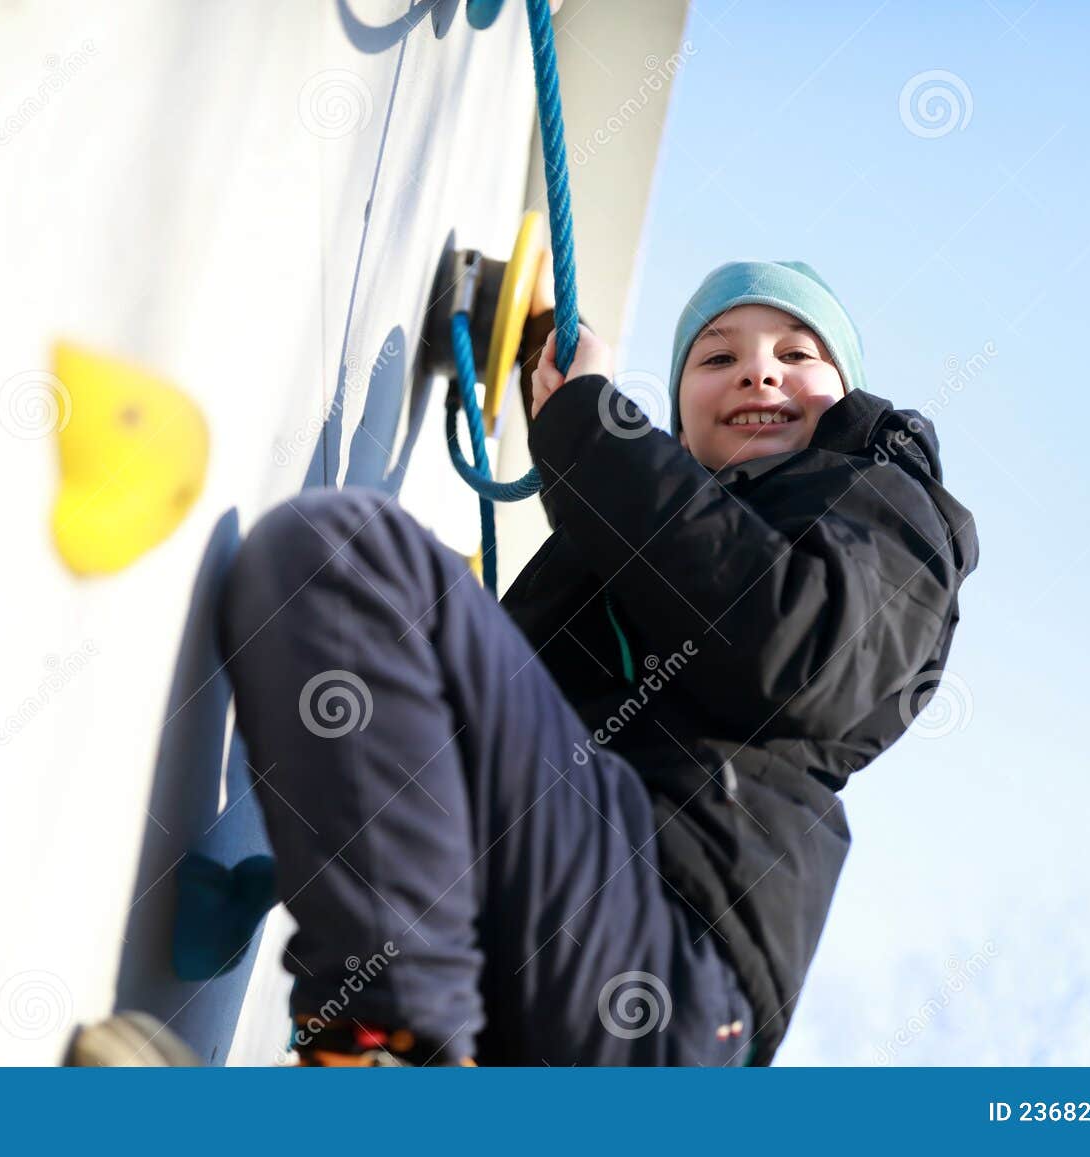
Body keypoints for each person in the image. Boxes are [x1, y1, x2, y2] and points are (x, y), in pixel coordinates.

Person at [215, 259, 979, 1066]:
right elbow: (495, 721)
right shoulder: (620, 548)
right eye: (718, 358)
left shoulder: (885, 506)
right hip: (519, 944)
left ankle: (391, 1041)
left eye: (798, 354)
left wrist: (595, 434)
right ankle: (385, 1048)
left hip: (670, 959)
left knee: (356, 556)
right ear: (680, 428)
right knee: (333, 562)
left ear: (844, 397)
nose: (759, 369)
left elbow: (785, 642)